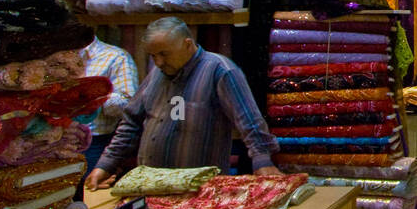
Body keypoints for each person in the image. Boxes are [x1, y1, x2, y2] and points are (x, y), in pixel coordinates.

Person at [84, 18, 281, 189]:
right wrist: (105, 164)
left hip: (199, 191)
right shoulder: (157, 74)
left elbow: (249, 119)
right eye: (153, 56)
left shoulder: (220, 71)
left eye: (164, 54)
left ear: (188, 44)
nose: (158, 62)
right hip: (151, 187)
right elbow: (131, 122)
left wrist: (262, 159)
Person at [79, 35, 139, 180]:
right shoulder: (56, 55)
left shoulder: (116, 57)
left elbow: (128, 105)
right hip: (56, 141)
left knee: (89, 195)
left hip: (95, 142)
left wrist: (93, 97)